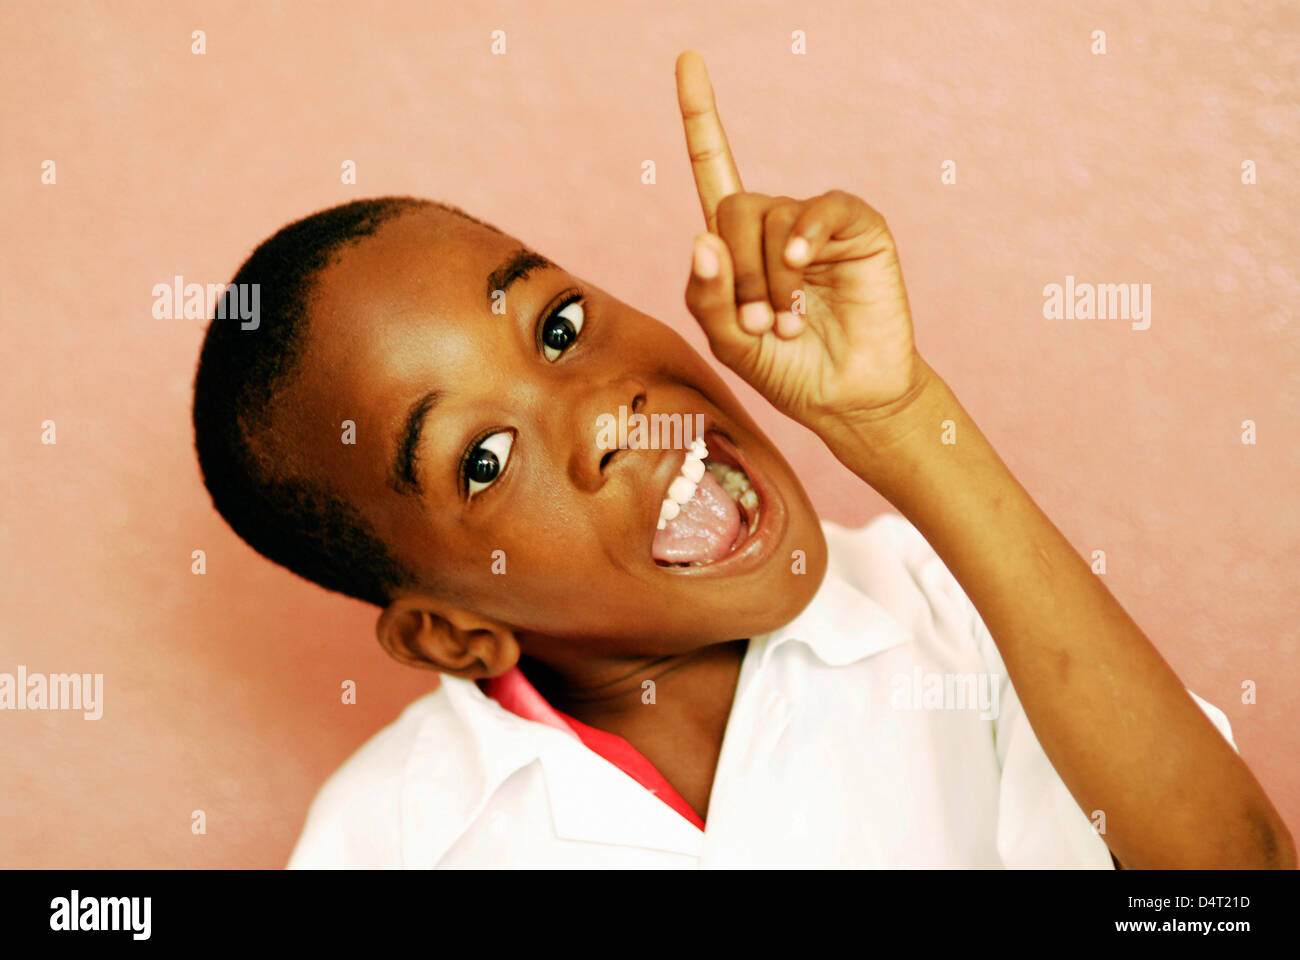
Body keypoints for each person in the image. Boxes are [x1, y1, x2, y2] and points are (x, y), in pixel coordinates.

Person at [191, 52, 1294, 868]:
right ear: (450, 633)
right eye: (481, 459)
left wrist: (902, 419)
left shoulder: (946, 606)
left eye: (559, 328)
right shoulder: (388, 840)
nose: (600, 414)